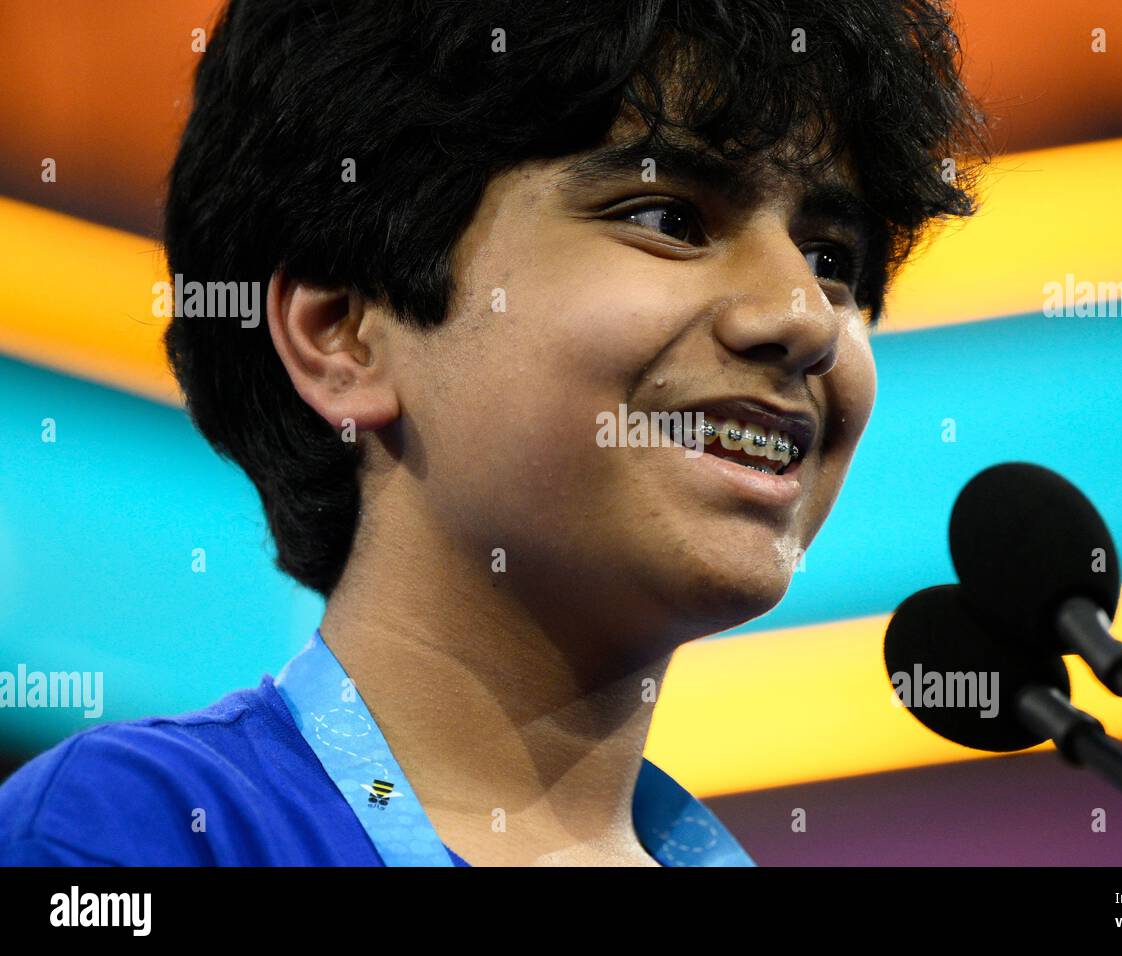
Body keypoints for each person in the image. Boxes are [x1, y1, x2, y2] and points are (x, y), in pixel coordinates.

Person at [0, 0, 986, 865]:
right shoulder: (133, 832)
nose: (805, 317)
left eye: (830, 254)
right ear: (343, 333)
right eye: (668, 217)